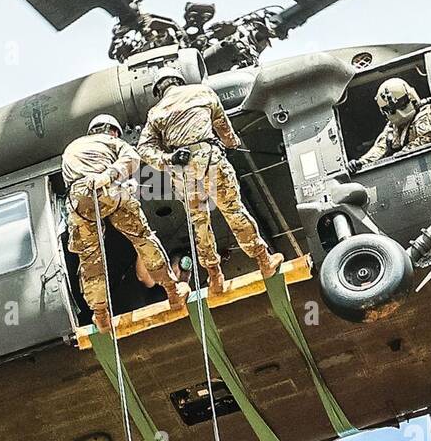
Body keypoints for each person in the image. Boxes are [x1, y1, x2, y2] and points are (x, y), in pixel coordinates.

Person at [137, 71, 283, 295]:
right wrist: (231, 143)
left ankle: (215, 277)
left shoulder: (156, 112)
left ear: (159, 90)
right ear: (179, 81)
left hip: (183, 171)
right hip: (211, 161)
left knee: (199, 224)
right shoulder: (203, 92)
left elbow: (144, 149)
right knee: (234, 212)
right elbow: (224, 129)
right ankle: (264, 261)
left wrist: (168, 159)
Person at [63, 114, 187, 331]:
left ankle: (100, 315)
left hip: (78, 200)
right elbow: (132, 159)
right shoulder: (112, 141)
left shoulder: (73, 147)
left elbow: (70, 180)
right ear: (112, 131)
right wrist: (112, 176)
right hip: (106, 189)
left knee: (90, 260)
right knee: (142, 238)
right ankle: (172, 290)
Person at [352, 77, 431, 168]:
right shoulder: (392, 126)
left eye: (402, 105)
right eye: (391, 110)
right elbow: (380, 148)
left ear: (410, 98)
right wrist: (361, 163)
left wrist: (399, 156)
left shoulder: (426, 112)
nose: (399, 113)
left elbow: (426, 139)